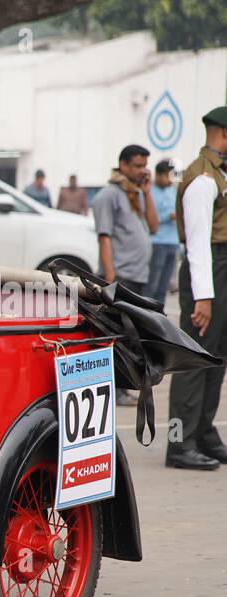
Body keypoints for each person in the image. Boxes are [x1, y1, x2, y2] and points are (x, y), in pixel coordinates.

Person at [166, 106, 227, 471]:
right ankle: (178, 441)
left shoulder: (218, 174)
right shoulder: (202, 179)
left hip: (221, 269)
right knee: (193, 357)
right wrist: (204, 295)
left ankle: (203, 431)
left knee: (216, 356)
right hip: (209, 270)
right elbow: (199, 243)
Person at [94, 145, 159, 406]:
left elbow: (153, 227)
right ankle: (116, 389)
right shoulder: (108, 196)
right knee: (118, 336)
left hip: (139, 275)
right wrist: (111, 279)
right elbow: (104, 238)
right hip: (120, 277)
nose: (141, 170)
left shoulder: (137, 194)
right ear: (122, 165)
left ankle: (123, 386)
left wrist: (147, 193)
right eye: (136, 165)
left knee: (133, 336)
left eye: (144, 165)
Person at [144, 160, 179, 306]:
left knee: (164, 287)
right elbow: (148, 217)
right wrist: (167, 216)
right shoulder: (149, 191)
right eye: (166, 176)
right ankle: (146, 315)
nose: (170, 180)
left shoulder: (172, 190)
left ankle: (159, 317)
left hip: (173, 243)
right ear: (158, 175)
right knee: (152, 285)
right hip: (157, 242)